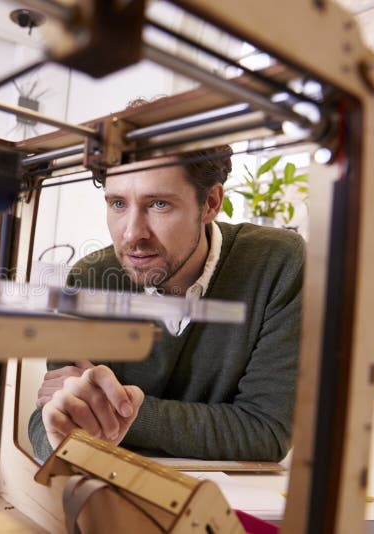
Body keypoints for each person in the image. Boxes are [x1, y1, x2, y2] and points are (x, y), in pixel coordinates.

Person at [28, 144, 304, 462]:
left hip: (226, 504)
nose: (132, 233)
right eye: (118, 203)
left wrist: (118, 411)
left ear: (210, 203)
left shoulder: (279, 263)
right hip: (112, 493)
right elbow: (48, 421)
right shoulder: (89, 279)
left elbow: (265, 431)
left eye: (159, 204)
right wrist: (61, 422)